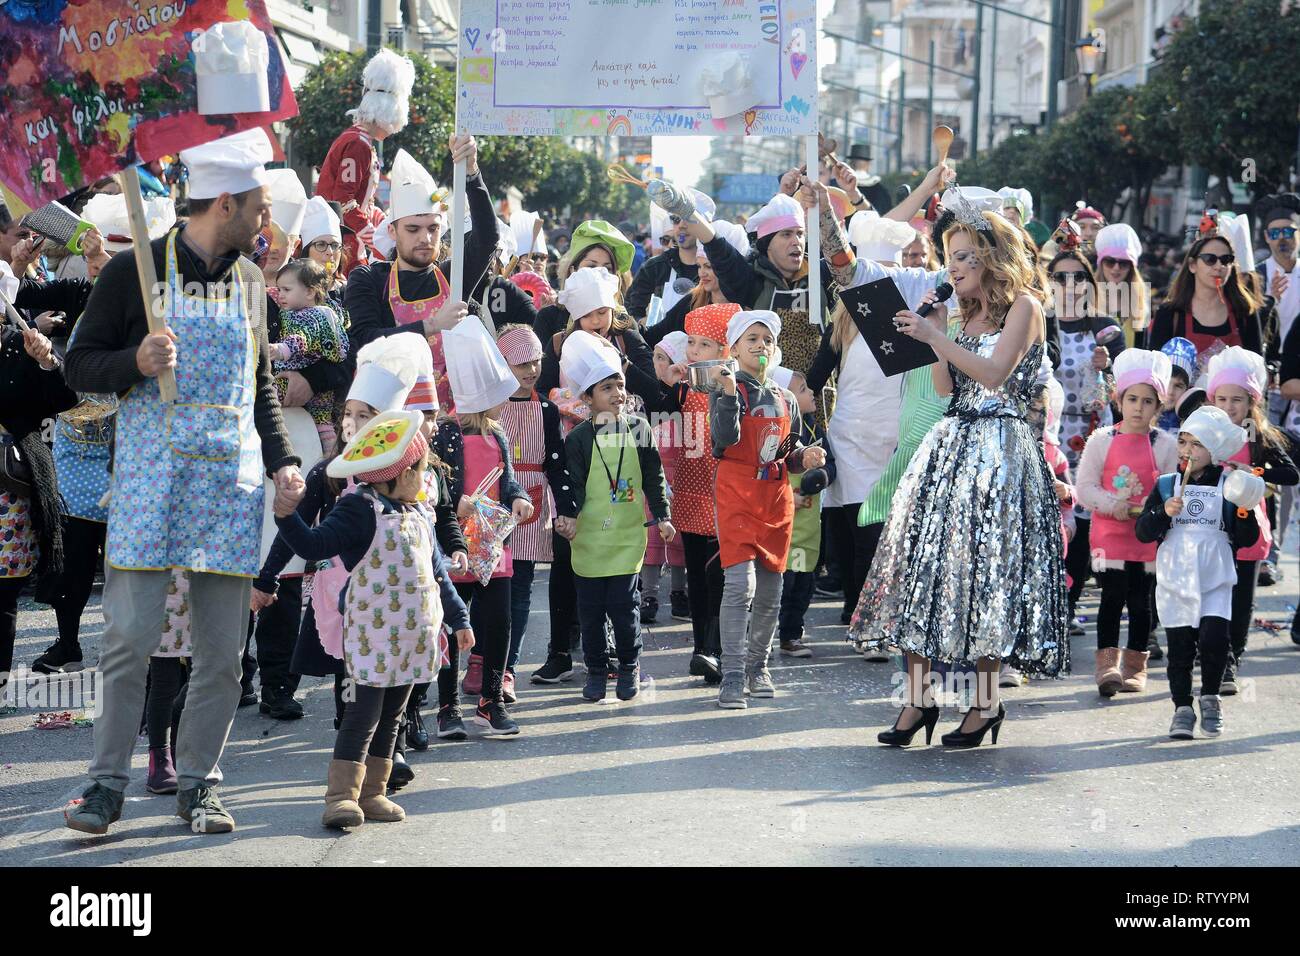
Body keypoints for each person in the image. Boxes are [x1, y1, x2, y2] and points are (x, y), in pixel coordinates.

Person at [62, 129, 306, 835]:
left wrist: (284, 460)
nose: (268, 220)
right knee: (129, 640)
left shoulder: (254, 282)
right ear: (225, 201)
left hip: (228, 487)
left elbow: (261, 388)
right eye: (260, 205)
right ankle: (104, 785)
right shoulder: (131, 271)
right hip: (148, 479)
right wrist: (134, 361)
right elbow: (79, 365)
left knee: (223, 652)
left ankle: (200, 783)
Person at [851, 192, 1068, 748]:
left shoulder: (1025, 307)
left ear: (992, 258)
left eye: (966, 255)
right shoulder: (958, 314)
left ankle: (984, 706)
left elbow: (995, 375)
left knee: (986, 576)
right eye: (950, 255)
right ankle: (918, 701)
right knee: (925, 569)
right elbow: (947, 388)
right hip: (952, 443)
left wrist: (936, 336)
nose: (954, 267)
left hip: (1001, 450)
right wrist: (939, 333)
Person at [274, 410, 473, 826]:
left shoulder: (416, 512)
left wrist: (459, 620)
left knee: (393, 716)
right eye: (420, 470)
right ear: (397, 474)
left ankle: (373, 792)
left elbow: (437, 573)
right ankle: (340, 797)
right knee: (361, 715)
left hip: (412, 636)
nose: (423, 478)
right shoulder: (358, 509)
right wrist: (285, 516)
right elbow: (313, 544)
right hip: (371, 638)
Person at [709, 310, 826, 708]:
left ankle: (759, 666)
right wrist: (726, 395)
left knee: (771, 592)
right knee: (741, 586)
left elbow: (786, 452)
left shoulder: (785, 397)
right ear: (735, 348)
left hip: (775, 497)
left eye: (767, 340)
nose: (761, 346)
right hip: (737, 492)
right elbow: (724, 441)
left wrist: (805, 455)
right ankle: (733, 674)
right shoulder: (727, 390)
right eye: (752, 339)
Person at [1135, 406, 1263, 739]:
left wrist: (1246, 508)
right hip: (1176, 576)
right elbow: (1143, 532)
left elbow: (1246, 539)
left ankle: (1210, 697)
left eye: (1198, 445)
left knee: (1214, 639)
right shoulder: (1166, 485)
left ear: (1216, 451)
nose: (1188, 452)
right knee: (1179, 646)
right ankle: (1181, 707)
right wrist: (1163, 511)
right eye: (1184, 442)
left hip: (1215, 575)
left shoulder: (1230, 486)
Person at [558, 332, 673, 701]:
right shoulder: (577, 439)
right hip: (589, 541)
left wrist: (663, 516)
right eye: (606, 388)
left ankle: (629, 667)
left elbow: (654, 476)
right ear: (588, 398)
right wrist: (568, 518)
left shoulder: (639, 429)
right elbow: (572, 485)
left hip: (626, 538)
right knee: (591, 612)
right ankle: (595, 669)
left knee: (625, 609)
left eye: (620, 385)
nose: (617, 394)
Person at [434, 316, 533, 735]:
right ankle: (448, 705)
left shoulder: (499, 433)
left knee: (498, 623)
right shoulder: (446, 434)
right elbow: (438, 486)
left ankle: (491, 698)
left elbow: (506, 477)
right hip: (457, 544)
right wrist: (457, 504)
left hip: (494, 545)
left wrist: (518, 497)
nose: (504, 402)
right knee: (455, 625)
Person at [1074, 350, 1178, 697]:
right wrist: (1111, 504)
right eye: (1132, 399)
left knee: (1141, 601)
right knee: (1111, 597)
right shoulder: (1102, 440)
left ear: (1158, 406)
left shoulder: (1165, 445)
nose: (1138, 407)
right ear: (1119, 400)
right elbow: (1085, 487)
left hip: (1145, 536)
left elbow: (1170, 488)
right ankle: (1106, 666)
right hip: (1108, 534)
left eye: (1147, 401)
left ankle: (1135, 666)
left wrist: (1155, 513)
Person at [1204, 347, 1298, 694]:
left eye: (1238, 400)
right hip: (1210, 530)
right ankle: (1213, 651)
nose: (1229, 407)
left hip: (1248, 530)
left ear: (1252, 402)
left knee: (1242, 600)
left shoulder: (1259, 437)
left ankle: (1230, 662)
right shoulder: (1204, 431)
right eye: (1223, 398)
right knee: (1213, 595)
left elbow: (1291, 474)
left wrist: (1254, 470)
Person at [494, 325, 575, 696]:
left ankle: (506, 668)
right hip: (493, 503)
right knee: (490, 589)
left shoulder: (546, 409)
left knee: (522, 588)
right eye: (520, 363)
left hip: (533, 507)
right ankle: (483, 660)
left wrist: (567, 508)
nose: (530, 370)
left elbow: (556, 465)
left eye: (536, 362)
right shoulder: (488, 407)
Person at [0, 323, 76, 698]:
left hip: (10, 484)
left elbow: (65, 401)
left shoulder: (21, 344)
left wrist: (47, 361)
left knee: (2, 594)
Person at [315, 48, 416, 276]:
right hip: (346, 239)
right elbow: (343, 200)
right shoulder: (358, 144)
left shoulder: (358, 140)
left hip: (348, 236)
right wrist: (373, 236)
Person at [771, 365, 836, 656]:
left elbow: (831, 463)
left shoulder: (814, 429)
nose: (812, 393)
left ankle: (792, 633)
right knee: (783, 586)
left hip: (809, 528)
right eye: (803, 390)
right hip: (782, 529)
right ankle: (778, 633)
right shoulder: (777, 434)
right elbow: (766, 474)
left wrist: (823, 477)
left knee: (804, 584)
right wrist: (785, 496)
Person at [1146, 220, 1265, 366]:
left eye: (1226, 260)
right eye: (1210, 259)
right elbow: (1155, 372)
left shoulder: (1245, 312)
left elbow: (1257, 369)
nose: (1218, 266)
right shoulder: (1170, 313)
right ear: (1192, 265)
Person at [271, 259, 349, 456]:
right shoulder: (319, 311)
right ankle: (332, 461)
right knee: (323, 424)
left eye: (286, 290)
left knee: (268, 395)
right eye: (279, 290)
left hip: (303, 376)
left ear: (309, 292)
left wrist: (281, 350)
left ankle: (331, 462)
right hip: (319, 385)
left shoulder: (310, 316)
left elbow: (303, 338)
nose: (281, 295)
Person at [640, 332, 690, 624]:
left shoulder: (684, 397)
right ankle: (649, 594)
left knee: (679, 539)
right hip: (655, 478)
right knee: (653, 537)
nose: (654, 362)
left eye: (661, 357)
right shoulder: (649, 395)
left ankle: (679, 592)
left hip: (681, 476)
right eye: (655, 356)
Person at [643, 219, 749, 348]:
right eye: (699, 266)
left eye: (709, 266)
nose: (701, 273)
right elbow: (654, 336)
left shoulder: (748, 301)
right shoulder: (692, 300)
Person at [533, 220, 636, 347]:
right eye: (591, 266)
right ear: (573, 270)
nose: (598, 274)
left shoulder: (624, 323)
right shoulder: (549, 318)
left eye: (607, 269)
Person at [625, 188, 712, 322]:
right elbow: (632, 310)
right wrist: (643, 323)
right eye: (676, 219)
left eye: (689, 219)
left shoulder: (716, 272)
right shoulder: (654, 268)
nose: (682, 226)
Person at [1093, 223, 1149, 348]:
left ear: (1131, 268)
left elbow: (1142, 349)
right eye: (1110, 261)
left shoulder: (1140, 304)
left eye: (1123, 263)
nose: (1116, 268)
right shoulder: (1087, 298)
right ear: (1101, 264)